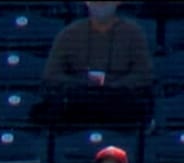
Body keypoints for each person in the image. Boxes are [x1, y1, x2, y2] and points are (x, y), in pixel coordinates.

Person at [32, 1, 154, 130]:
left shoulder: (133, 33)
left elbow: (144, 74)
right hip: (80, 99)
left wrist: (112, 85)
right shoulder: (70, 33)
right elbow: (52, 75)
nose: (100, 5)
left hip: (118, 99)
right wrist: (83, 83)